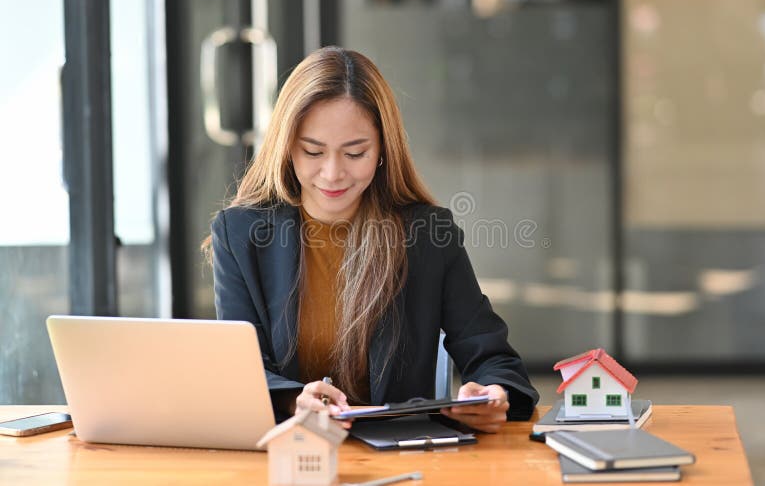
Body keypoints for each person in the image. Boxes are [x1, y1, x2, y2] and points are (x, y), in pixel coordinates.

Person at [206, 46, 538, 433]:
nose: (332, 174)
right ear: (287, 148)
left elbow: (493, 358)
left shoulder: (427, 234)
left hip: (400, 452)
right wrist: (292, 397)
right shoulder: (239, 235)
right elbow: (243, 371)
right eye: (313, 151)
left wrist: (493, 393)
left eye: (355, 153)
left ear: (382, 149)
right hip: (289, 451)